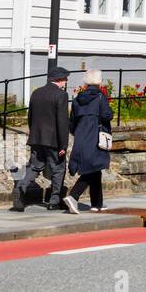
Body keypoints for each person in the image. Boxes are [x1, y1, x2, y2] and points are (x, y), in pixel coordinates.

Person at [12, 67, 72, 212]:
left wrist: (34, 134)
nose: (66, 81)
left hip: (37, 138)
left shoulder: (36, 93)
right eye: (65, 79)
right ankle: (54, 201)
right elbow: (62, 122)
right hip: (53, 141)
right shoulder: (61, 95)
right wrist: (63, 144)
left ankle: (20, 188)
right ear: (59, 79)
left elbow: (30, 116)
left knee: (34, 166)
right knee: (58, 169)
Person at [63, 70, 113, 214]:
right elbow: (106, 116)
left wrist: (78, 133)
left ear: (85, 82)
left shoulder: (78, 98)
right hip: (95, 137)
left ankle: (97, 204)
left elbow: (72, 121)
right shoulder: (100, 97)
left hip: (81, 137)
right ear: (99, 82)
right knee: (92, 168)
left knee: (95, 168)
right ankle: (73, 196)